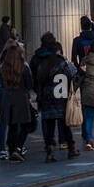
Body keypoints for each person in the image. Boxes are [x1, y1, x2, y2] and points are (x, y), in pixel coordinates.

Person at [31, 32, 78, 162]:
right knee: (64, 124)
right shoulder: (61, 62)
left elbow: (37, 80)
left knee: (49, 125)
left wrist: (40, 93)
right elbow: (72, 75)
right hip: (61, 96)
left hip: (47, 98)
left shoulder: (42, 63)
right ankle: (71, 147)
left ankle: (50, 148)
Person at [0, 40, 32, 162]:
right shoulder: (23, 67)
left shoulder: (3, 67)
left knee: (11, 126)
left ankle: (11, 150)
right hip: (21, 98)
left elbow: (0, 83)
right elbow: (29, 83)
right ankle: (18, 148)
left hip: (7, 97)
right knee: (26, 125)